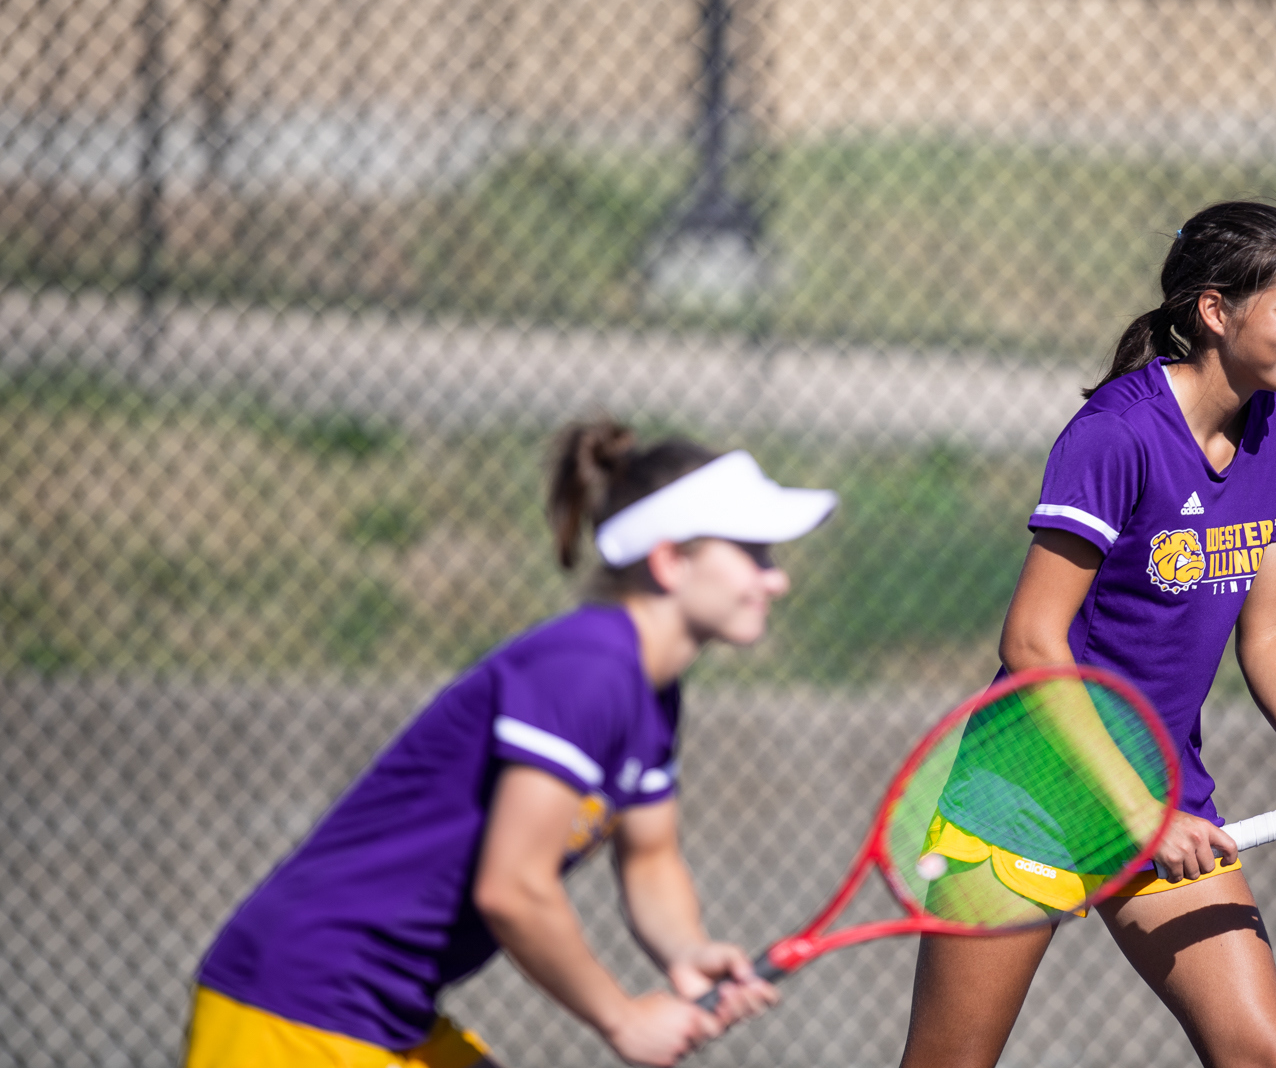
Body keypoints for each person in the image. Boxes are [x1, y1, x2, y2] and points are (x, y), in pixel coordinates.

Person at [899, 201, 1276, 1068]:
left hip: (1167, 799)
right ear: (1215, 311)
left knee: (1262, 1059)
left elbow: (1269, 634)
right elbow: (1031, 644)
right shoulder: (1115, 436)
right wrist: (1137, 813)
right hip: (1032, 803)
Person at [185, 419, 836, 1068]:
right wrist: (622, 1018)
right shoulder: (587, 668)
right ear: (671, 561)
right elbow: (514, 889)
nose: (774, 579)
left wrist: (685, 951)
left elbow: (649, 857)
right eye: (753, 554)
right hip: (295, 1006)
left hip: (379, 1009)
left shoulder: (652, 693)